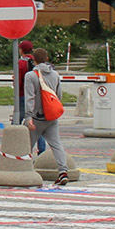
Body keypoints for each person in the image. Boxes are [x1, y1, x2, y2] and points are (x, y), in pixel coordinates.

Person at [23, 47, 69, 187]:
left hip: (36, 118)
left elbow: (30, 98)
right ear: (47, 58)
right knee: (56, 145)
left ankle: (26, 171)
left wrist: (28, 117)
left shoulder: (31, 76)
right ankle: (63, 171)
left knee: (27, 145)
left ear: (33, 59)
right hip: (51, 118)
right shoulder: (55, 75)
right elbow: (58, 95)